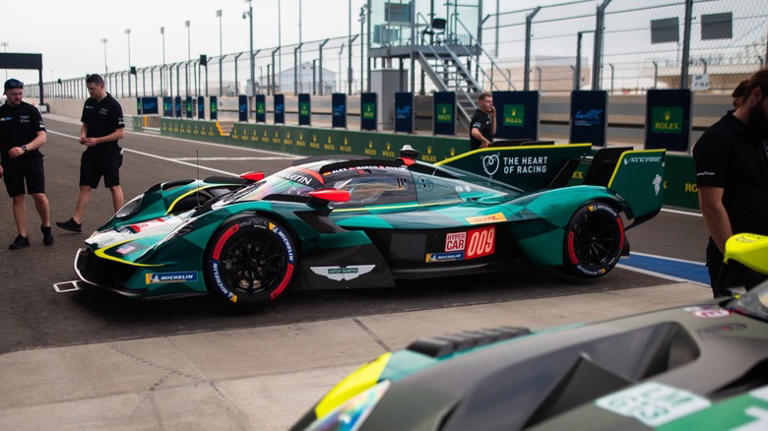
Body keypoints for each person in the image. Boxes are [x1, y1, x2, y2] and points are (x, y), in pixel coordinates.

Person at [693, 68, 768, 297]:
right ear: (756, 96)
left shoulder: (763, 136)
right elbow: (711, 205)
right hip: (738, 262)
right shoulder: (718, 139)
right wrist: (735, 257)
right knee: (741, 330)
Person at [57, 74, 125, 233]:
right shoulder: (89, 103)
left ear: (101, 86)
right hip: (91, 152)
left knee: (113, 186)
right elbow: (85, 125)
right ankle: (76, 220)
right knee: (85, 186)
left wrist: (98, 140)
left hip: (109, 152)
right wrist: (83, 135)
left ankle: (120, 221)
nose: (90, 92)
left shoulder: (113, 105)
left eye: (92, 89)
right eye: (88, 89)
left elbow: (120, 133)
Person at [0, 78, 53, 249]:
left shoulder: (31, 111)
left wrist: (24, 148)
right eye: (14, 94)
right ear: (6, 93)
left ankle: (46, 226)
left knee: (38, 194)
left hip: (32, 159)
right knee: (17, 198)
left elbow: (42, 136)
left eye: (20, 94)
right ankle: (22, 236)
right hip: (9, 162)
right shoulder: (1, 113)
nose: (17, 97)